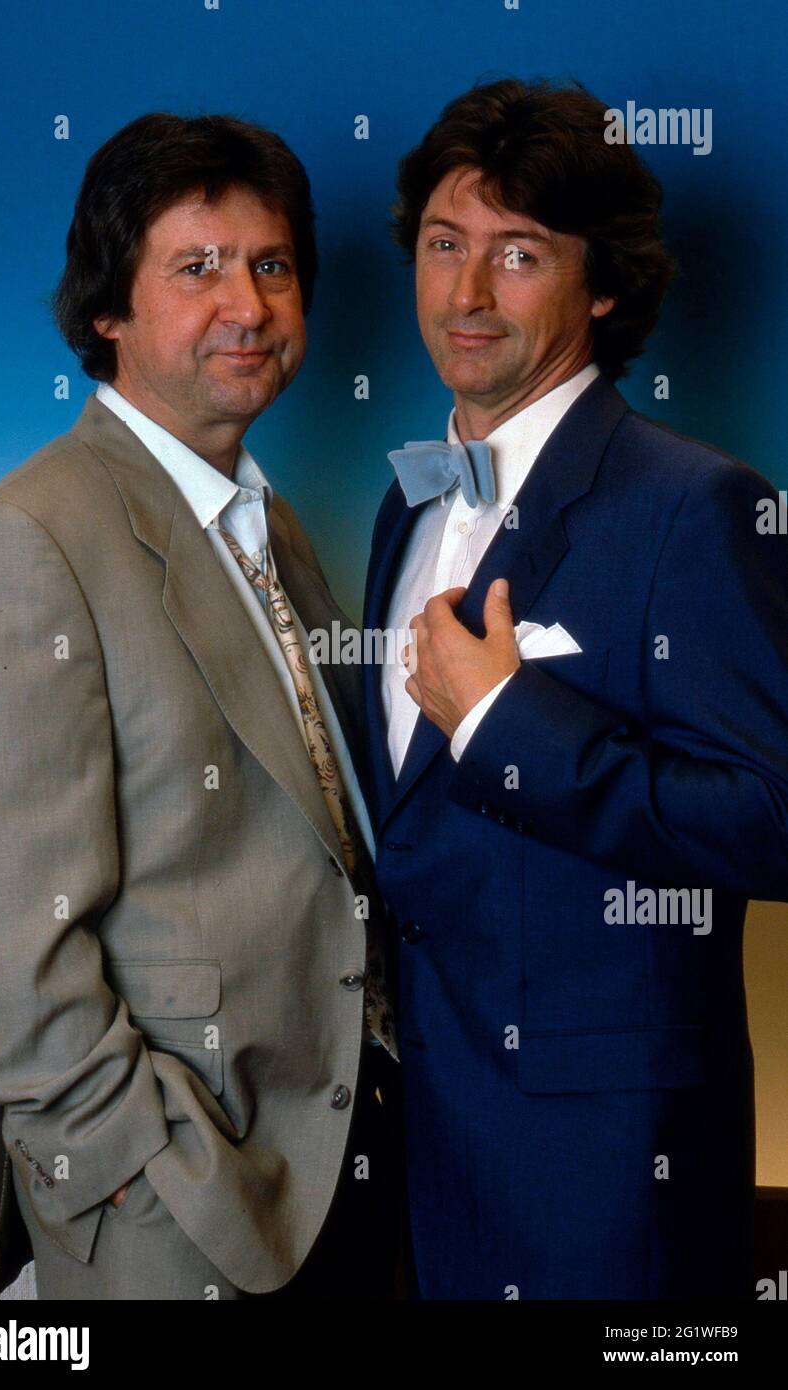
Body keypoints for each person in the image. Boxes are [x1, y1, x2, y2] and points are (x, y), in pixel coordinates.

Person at [0, 111, 401, 1301]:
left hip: (338, 1160)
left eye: (272, 264)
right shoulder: (32, 541)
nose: (246, 303)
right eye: (195, 268)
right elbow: (12, 956)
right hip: (178, 1209)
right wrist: (147, 1172)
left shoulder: (271, 523)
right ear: (107, 308)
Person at [361, 78, 788, 1300]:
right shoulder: (407, 501)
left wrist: (507, 723)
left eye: (519, 253)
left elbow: (769, 818)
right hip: (410, 1157)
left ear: (603, 286)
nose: (466, 293)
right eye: (445, 246)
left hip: (604, 1185)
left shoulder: (691, 508)